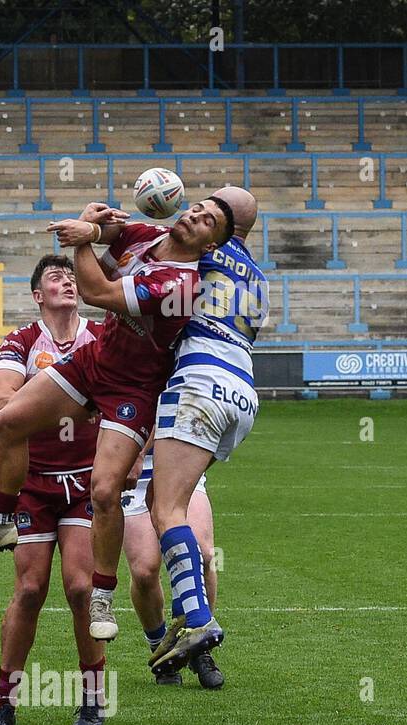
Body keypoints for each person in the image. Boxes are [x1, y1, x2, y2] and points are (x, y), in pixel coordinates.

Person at [0, 197, 234, 649]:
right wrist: (93, 223)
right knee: (8, 422)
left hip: (134, 388)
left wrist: (83, 235)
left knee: (104, 491)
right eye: (196, 208)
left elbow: (97, 293)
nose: (193, 216)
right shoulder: (151, 236)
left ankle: (102, 596)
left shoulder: (183, 285)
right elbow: (106, 238)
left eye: (207, 221)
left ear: (212, 244)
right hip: (92, 361)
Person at [107, 185, 267, 676]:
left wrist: (107, 233)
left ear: (220, 231)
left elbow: (150, 263)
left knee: (167, 507)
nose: (194, 212)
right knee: (172, 503)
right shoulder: (258, 278)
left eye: (207, 208)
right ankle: (185, 630)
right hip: (242, 394)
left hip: (198, 380)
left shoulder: (203, 255)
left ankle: (198, 620)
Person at [0, 257, 108, 725]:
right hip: (33, 483)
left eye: (72, 277)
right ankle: (4, 704)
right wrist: (79, 396)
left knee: (81, 590)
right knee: (30, 590)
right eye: (56, 278)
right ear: (38, 295)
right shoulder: (20, 340)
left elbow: (121, 396)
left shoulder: (99, 337)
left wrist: (37, 398)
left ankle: (93, 701)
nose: (67, 282)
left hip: (85, 481)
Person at [121, 443, 220, 687]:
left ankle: (199, 646)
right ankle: (162, 651)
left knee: (205, 555)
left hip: (179, 461)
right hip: (132, 469)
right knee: (144, 571)